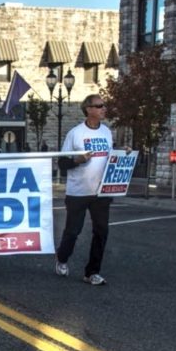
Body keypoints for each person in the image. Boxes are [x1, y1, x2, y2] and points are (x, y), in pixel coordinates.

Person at [54, 94, 115, 286]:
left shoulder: (106, 132)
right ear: (88, 109)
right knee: (73, 231)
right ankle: (62, 258)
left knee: (101, 232)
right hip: (78, 192)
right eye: (99, 105)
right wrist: (77, 160)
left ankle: (92, 272)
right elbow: (62, 163)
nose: (104, 108)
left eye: (104, 105)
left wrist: (124, 153)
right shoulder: (75, 133)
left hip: (101, 192)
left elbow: (109, 157)